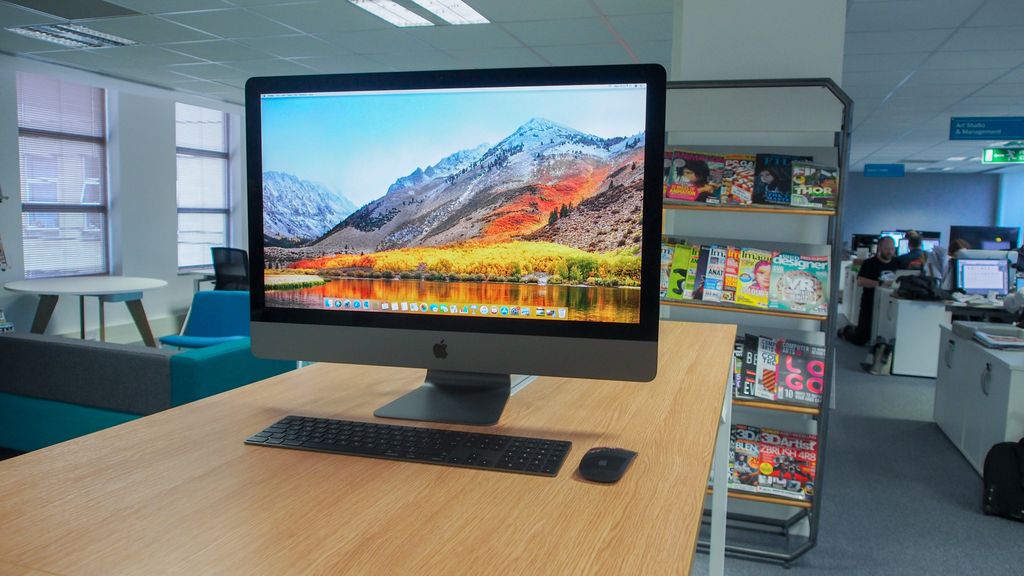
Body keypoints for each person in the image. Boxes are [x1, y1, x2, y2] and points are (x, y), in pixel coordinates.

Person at [844, 235, 900, 345]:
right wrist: (880, 283)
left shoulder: (897, 263)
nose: (890, 251)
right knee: (861, 339)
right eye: (887, 249)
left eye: (892, 249)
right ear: (880, 248)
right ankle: (846, 331)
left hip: (889, 303)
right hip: (869, 303)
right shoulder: (869, 263)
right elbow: (860, 281)